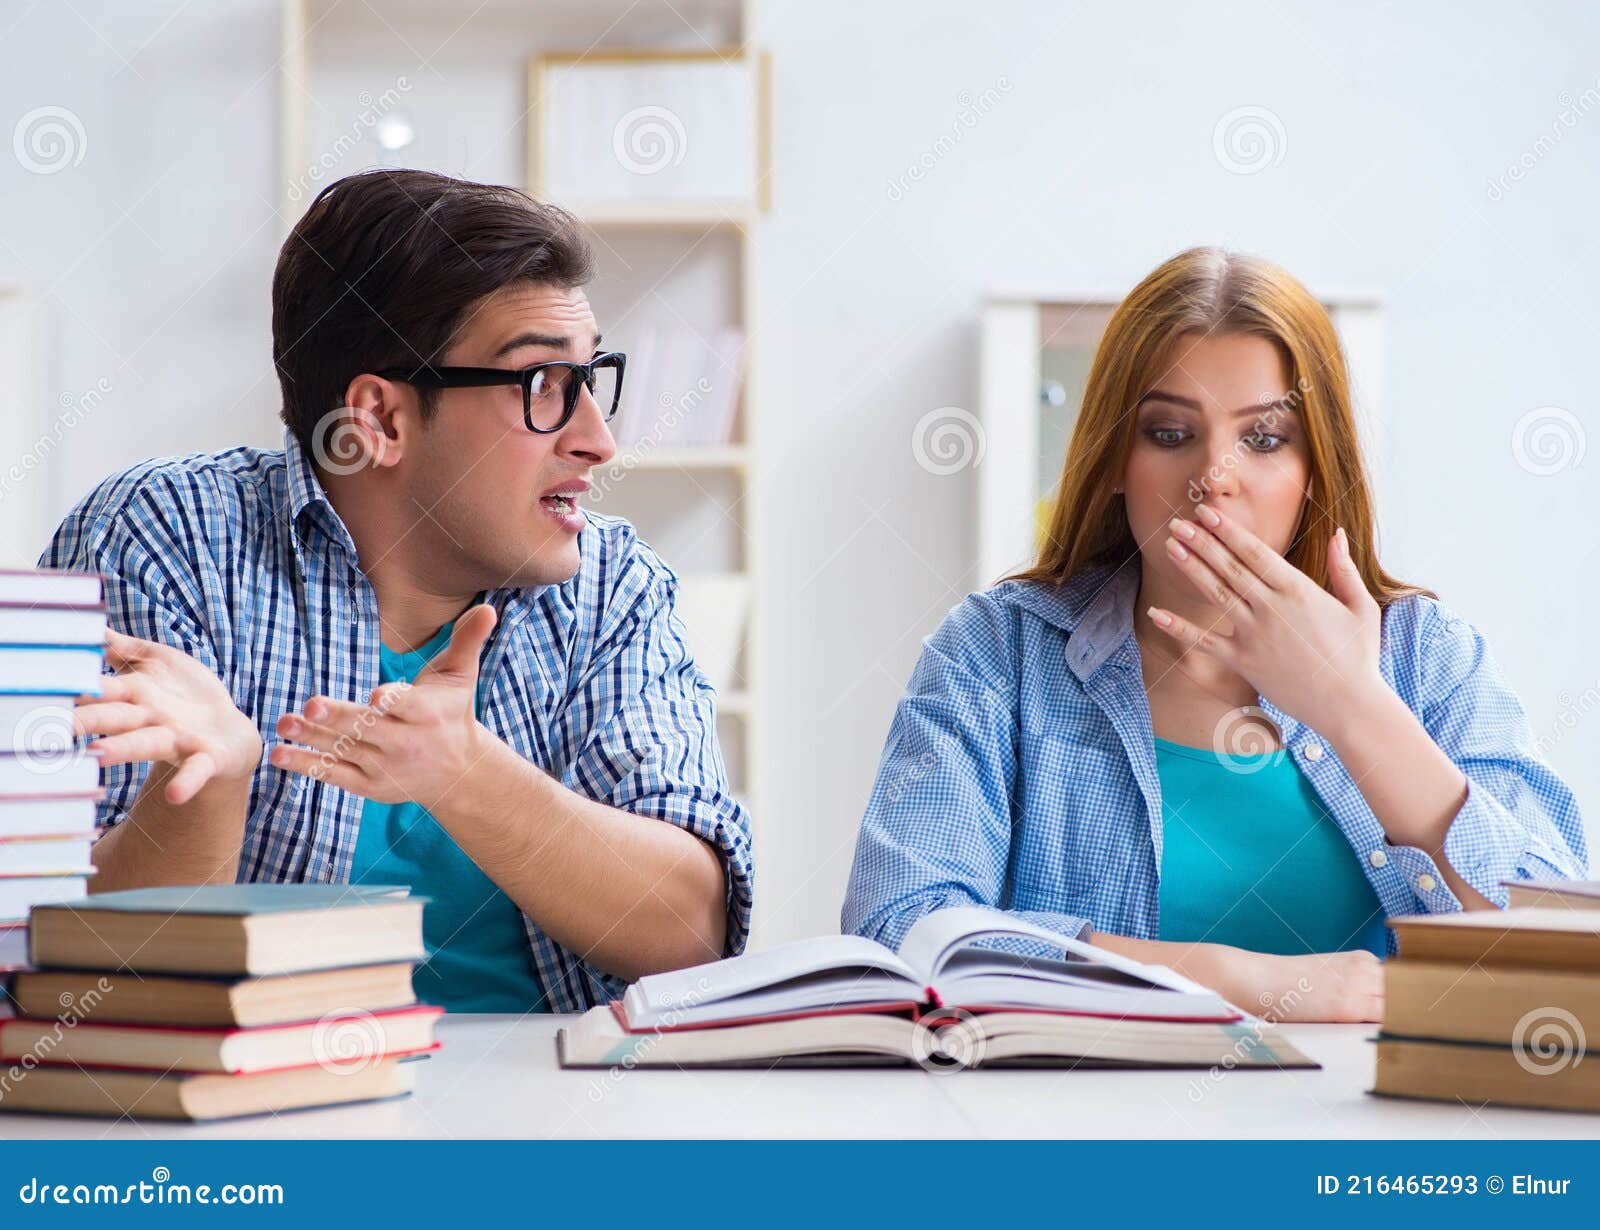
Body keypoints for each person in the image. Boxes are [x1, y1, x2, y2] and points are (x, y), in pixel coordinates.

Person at [44, 169, 753, 1013]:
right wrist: (205, 788)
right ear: (379, 421)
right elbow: (76, 975)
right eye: (543, 386)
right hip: (258, 1120)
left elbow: (692, 934)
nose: (597, 439)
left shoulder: (613, 586)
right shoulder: (166, 538)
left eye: (589, 379)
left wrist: (466, 775)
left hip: (557, 1122)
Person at [842, 246, 1586, 1022]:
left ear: (1315, 468)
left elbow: (1563, 952)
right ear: (1116, 461)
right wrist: (1234, 979)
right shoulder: (996, 654)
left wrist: (1353, 706)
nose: (1214, 477)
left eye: (1263, 438)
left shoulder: (1430, 659)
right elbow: (899, 934)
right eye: (1169, 432)